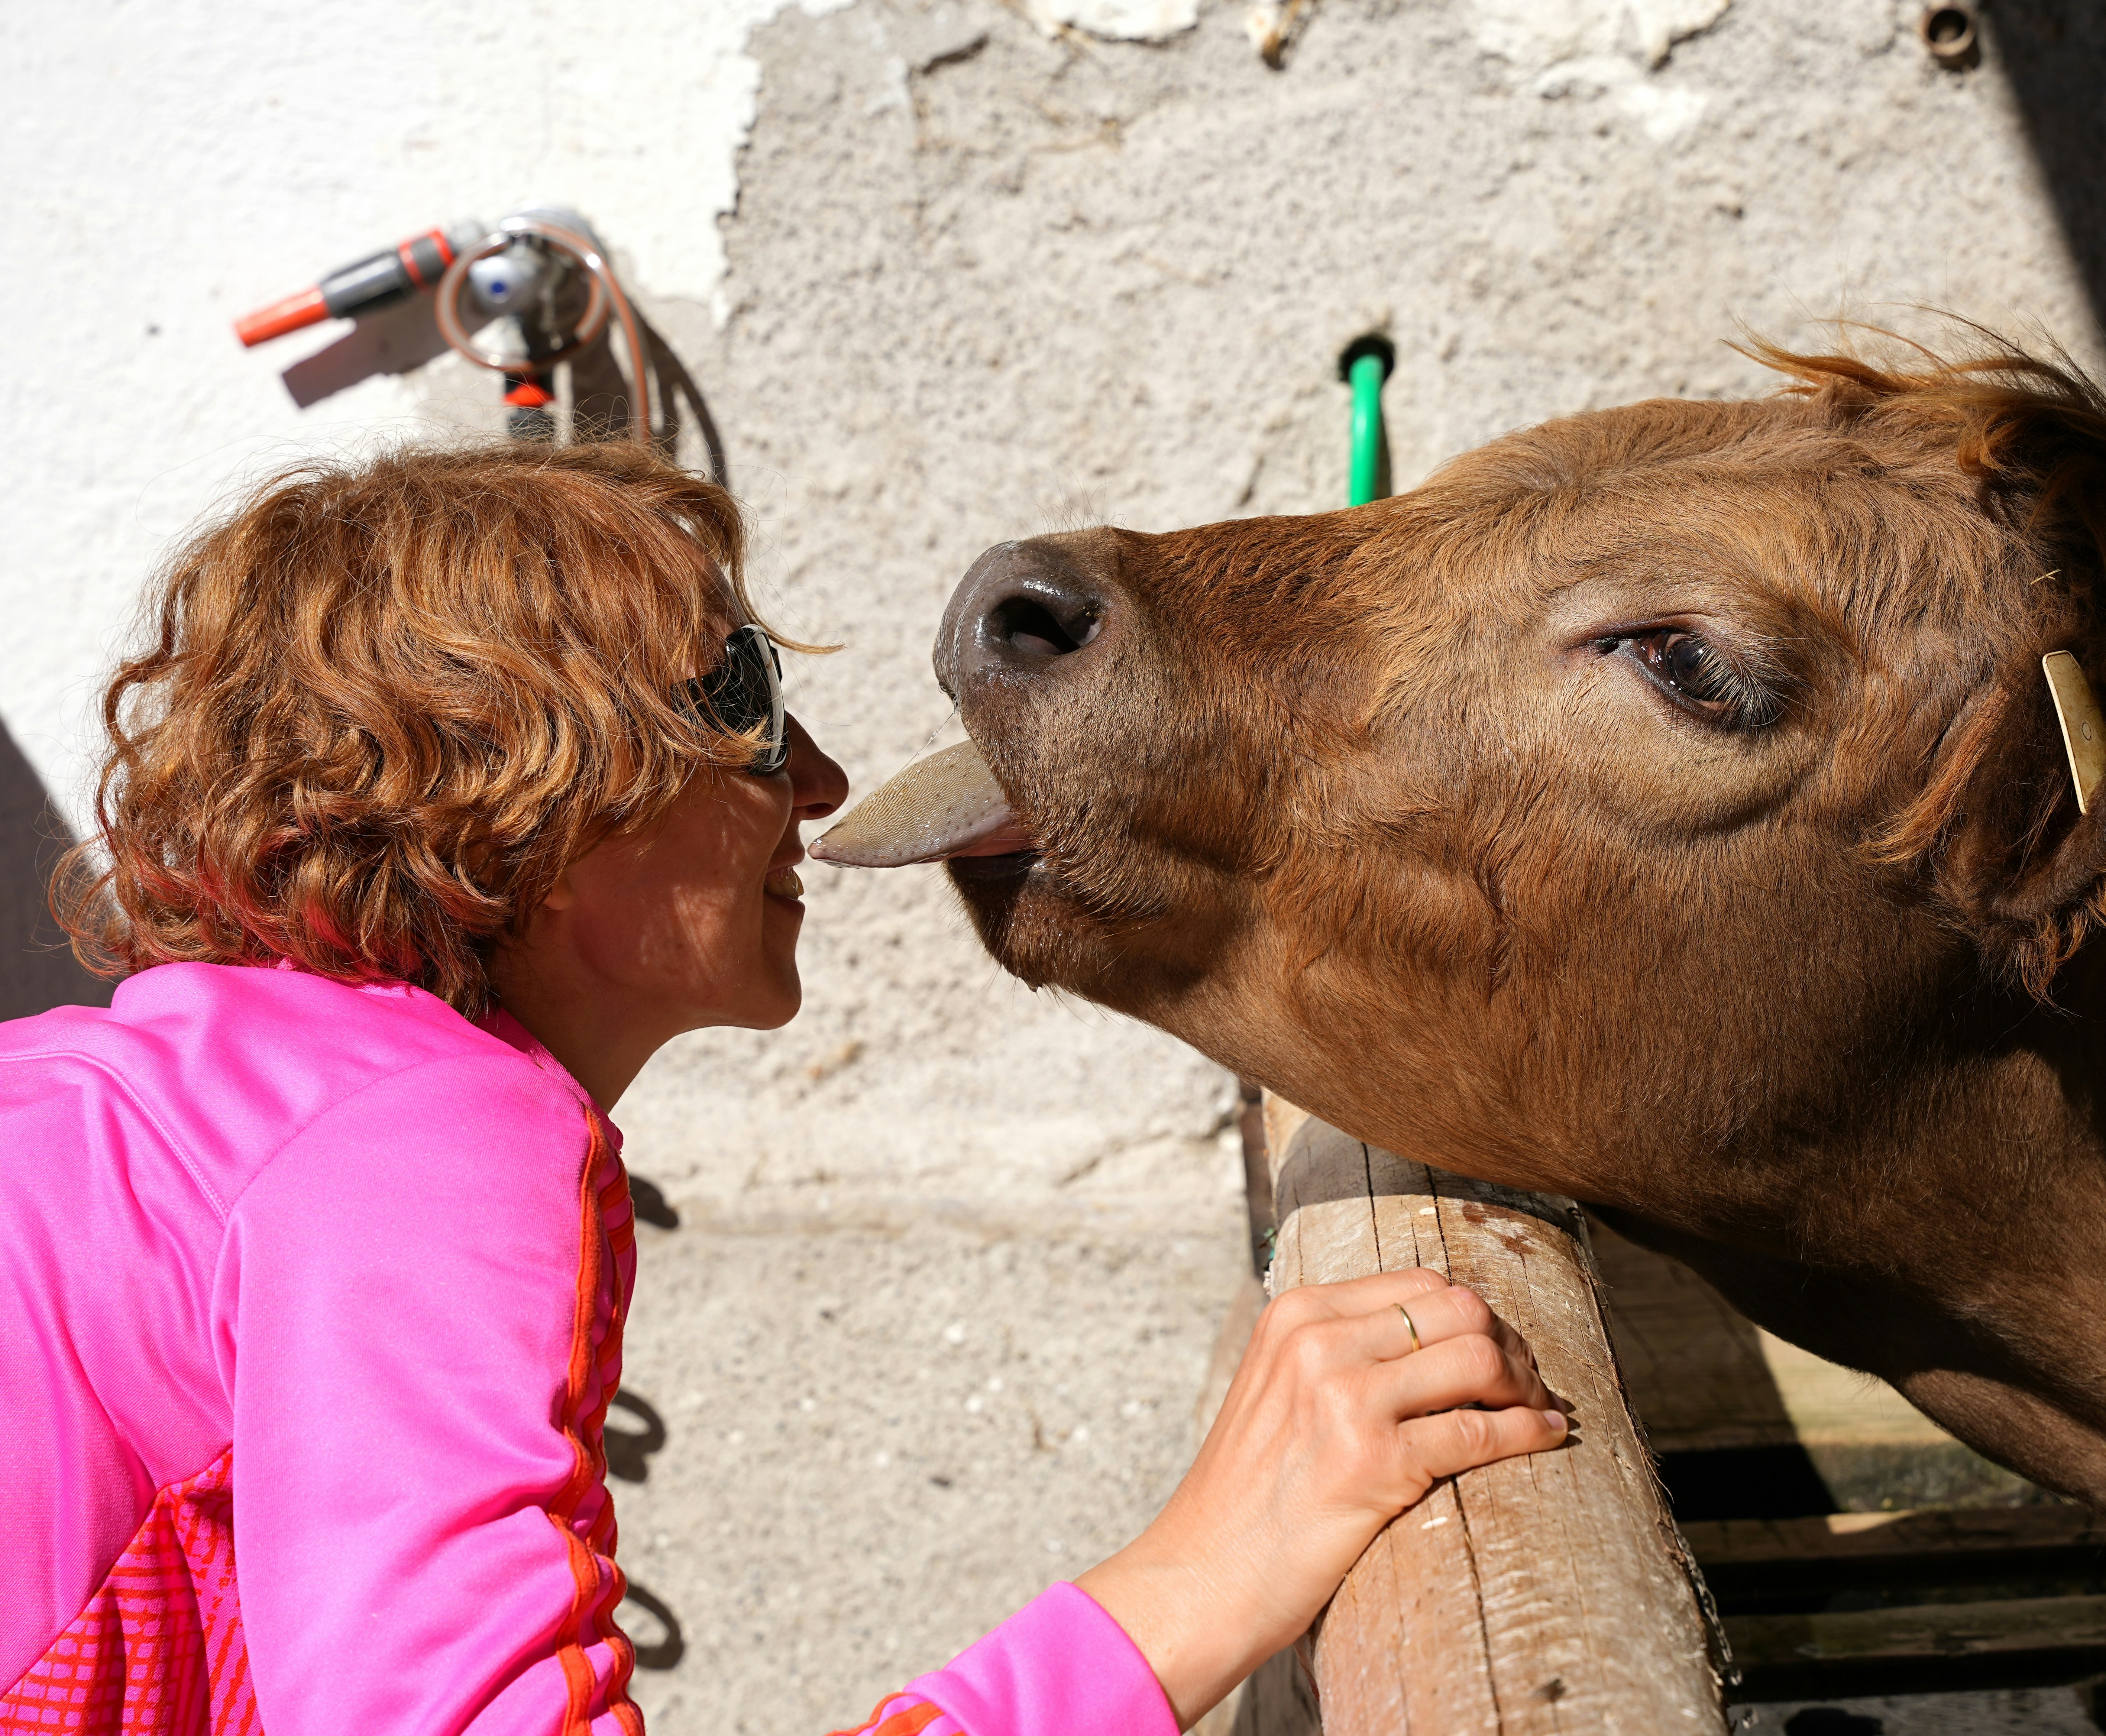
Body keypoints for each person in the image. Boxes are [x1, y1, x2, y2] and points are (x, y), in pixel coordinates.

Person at [0, 442, 1569, 1736]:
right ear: (526, 783)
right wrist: (1197, 1578)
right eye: (742, 694)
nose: (815, 781)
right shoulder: (416, 1133)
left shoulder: (149, 1117)